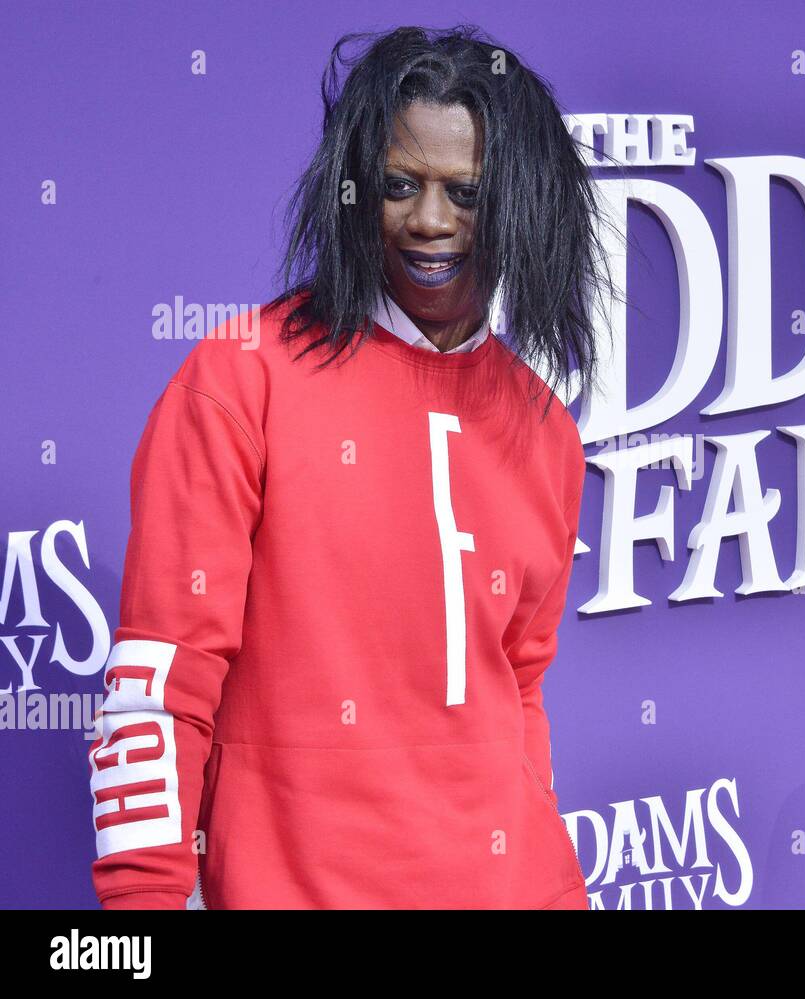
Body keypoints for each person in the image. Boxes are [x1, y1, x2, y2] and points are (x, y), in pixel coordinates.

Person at [87, 24, 621, 909]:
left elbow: (520, 693)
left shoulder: (543, 427)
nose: (429, 220)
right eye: (399, 185)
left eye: (467, 192)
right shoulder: (241, 377)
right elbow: (159, 686)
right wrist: (141, 911)